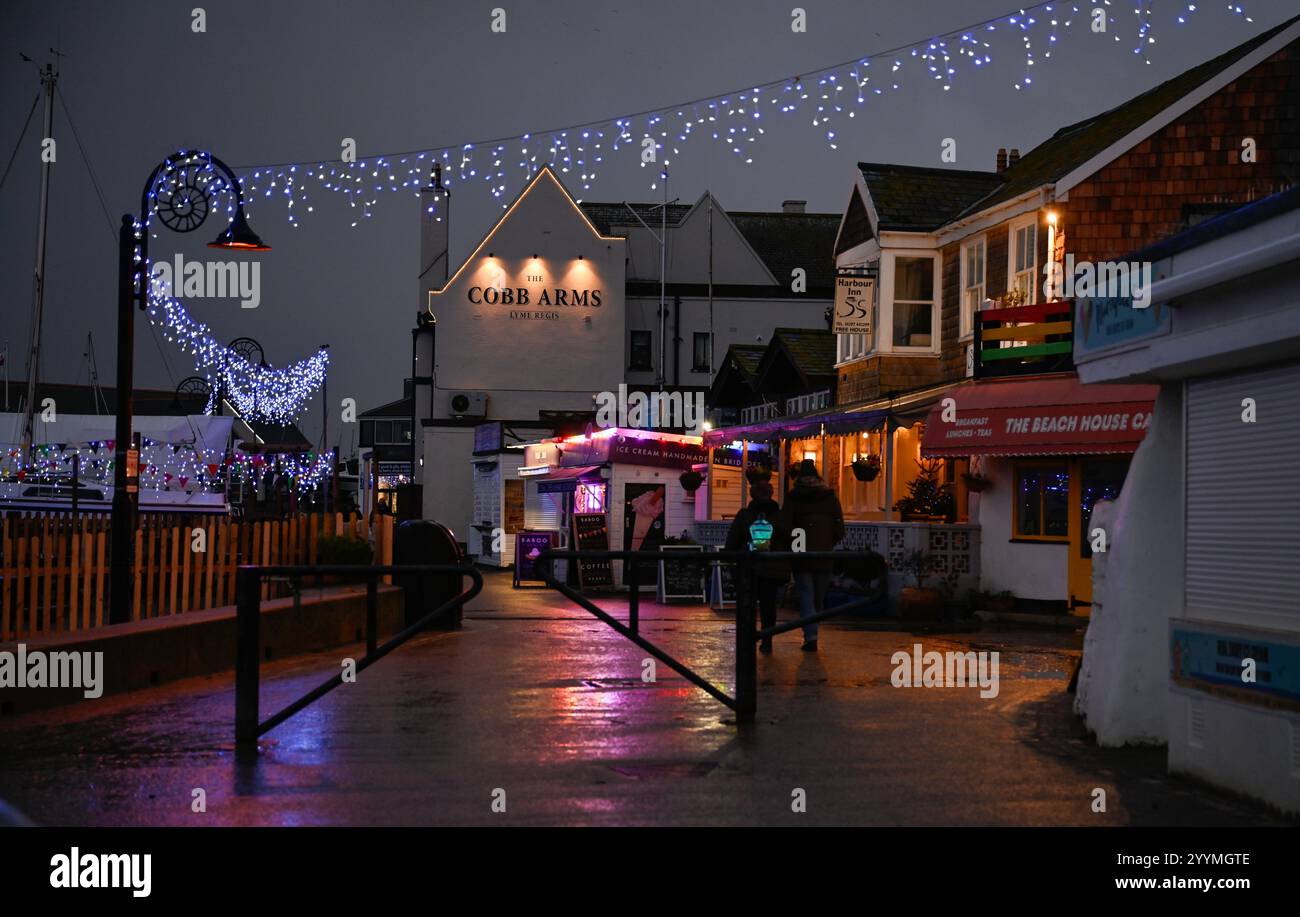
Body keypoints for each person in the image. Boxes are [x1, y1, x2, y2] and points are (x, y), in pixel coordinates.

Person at [779, 459, 846, 652]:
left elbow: (785, 525)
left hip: (801, 551)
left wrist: (794, 545)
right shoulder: (829, 497)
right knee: (818, 595)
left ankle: (811, 634)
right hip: (824, 553)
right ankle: (812, 630)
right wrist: (829, 541)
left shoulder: (794, 497)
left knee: (807, 594)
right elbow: (839, 526)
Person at [724, 480, 790, 653]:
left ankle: (748, 639)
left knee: (748, 606)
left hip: (748, 568)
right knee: (769, 606)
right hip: (772, 569)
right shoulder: (780, 516)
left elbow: (731, 542)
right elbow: (790, 540)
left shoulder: (744, 515)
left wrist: (733, 559)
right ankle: (767, 639)